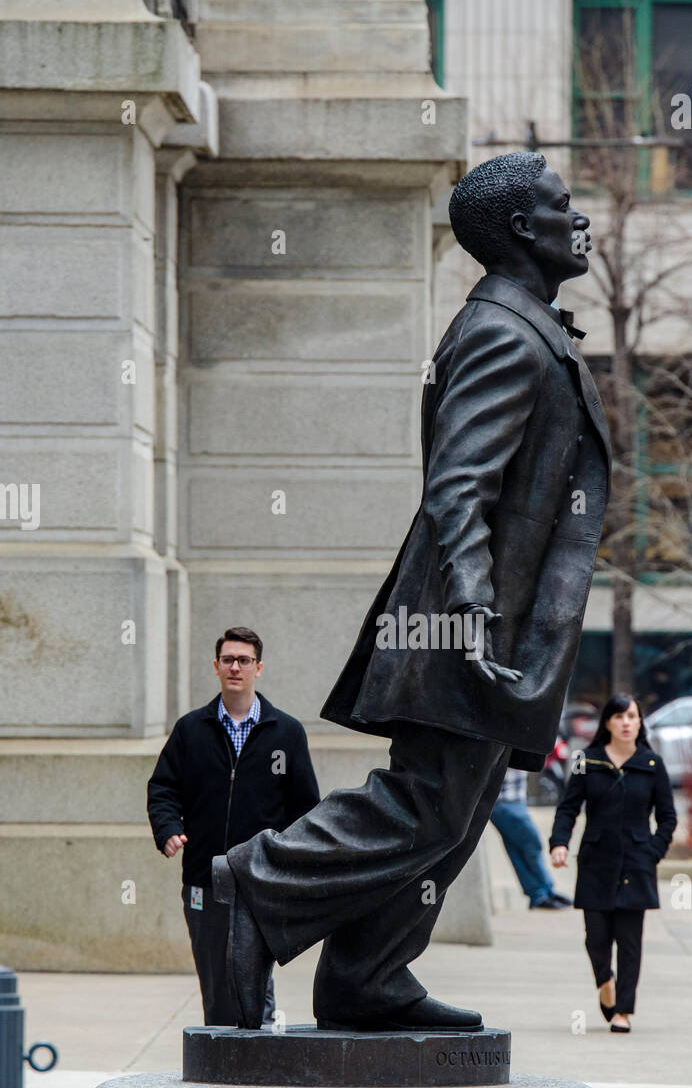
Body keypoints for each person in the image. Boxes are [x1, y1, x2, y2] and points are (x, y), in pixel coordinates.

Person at [213, 151, 612, 1033]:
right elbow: (457, 485)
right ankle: (252, 881)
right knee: (429, 801)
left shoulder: (525, 328)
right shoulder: (505, 334)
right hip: (466, 618)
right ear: (519, 230)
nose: (576, 220)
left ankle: (368, 977)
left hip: (487, 620)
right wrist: (470, 610)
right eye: (561, 206)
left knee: (457, 813)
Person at [147, 626, 320, 1025]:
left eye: (244, 660)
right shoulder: (192, 730)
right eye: (228, 660)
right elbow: (163, 787)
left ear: (258, 668)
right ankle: (220, 1055)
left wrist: (290, 864)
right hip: (204, 876)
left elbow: (305, 808)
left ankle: (256, 1052)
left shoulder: (286, 732)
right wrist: (168, 828)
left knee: (254, 976)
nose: (235, 667)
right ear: (216, 666)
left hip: (260, 878)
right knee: (213, 974)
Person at [549, 694, 676, 1033]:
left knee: (630, 942)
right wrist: (559, 842)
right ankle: (605, 980)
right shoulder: (586, 761)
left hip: (637, 863)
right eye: (618, 716)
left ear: (639, 722)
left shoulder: (651, 765)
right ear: (607, 722)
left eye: (631, 716)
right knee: (596, 937)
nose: (625, 723)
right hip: (596, 861)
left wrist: (652, 852)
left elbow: (667, 818)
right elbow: (568, 808)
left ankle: (623, 1011)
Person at [490, 770, 571, 909]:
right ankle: (542, 893)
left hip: (509, 801)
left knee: (517, 850)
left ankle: (542, 893)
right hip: (506, 801)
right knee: (532, 846)